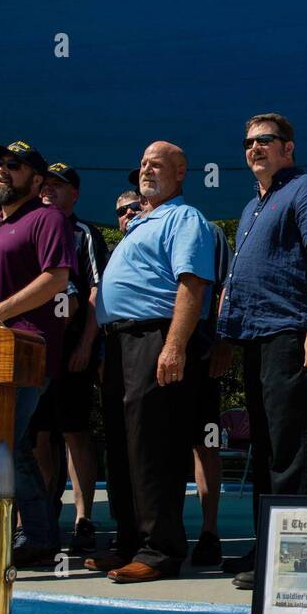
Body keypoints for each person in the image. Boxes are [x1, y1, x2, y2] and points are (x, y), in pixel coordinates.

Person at [217, 113, 307, 590]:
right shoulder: (252, 206)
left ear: (288, 147)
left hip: (292, 332)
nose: (254, 148)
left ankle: (299, 560)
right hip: (255, 336)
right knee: (267, 448)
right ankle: (267, 544)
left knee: (295, 449)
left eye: (265, 140)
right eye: (248, 142)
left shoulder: (306, 189)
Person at [90, 141, 215, 582]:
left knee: (154, 445)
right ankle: (128, 542)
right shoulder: (137, 224)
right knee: (123, 445)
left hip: (154, 336)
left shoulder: (185, 218)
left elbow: (192, 285)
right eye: (142, 163)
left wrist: (175, 345)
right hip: (120, 342)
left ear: (180, 173)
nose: (146, 170)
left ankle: (160, 550)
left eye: (157, 164)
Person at [0, 140, 77, 569]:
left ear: (37, 180)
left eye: (14, 165)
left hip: (23, 350)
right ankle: (18, 531)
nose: (1, 170)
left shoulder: (47, 218)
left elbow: (56, 279)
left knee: (7, 440)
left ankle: (38, 536)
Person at [33, 163, 110, 556]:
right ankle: (43, 516)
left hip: (72, 352)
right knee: (38, 436)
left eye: (58, 186)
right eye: (44, 184)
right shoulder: (31, 226)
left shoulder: (84, 233)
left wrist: (86, 345)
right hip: (34, 353)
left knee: (75, 432)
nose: (49, 190)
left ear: (74, 194)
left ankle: (83, 517)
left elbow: (98, 291)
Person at [190, 219, 233, 566]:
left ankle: (209, 532)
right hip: (148, 357)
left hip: (200, 357)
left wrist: (221, 341)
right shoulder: (138, 233)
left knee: (206, 443)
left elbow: (226, 288)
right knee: (160, 447)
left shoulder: (207, 231)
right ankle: (159, 532)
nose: (134, 211)